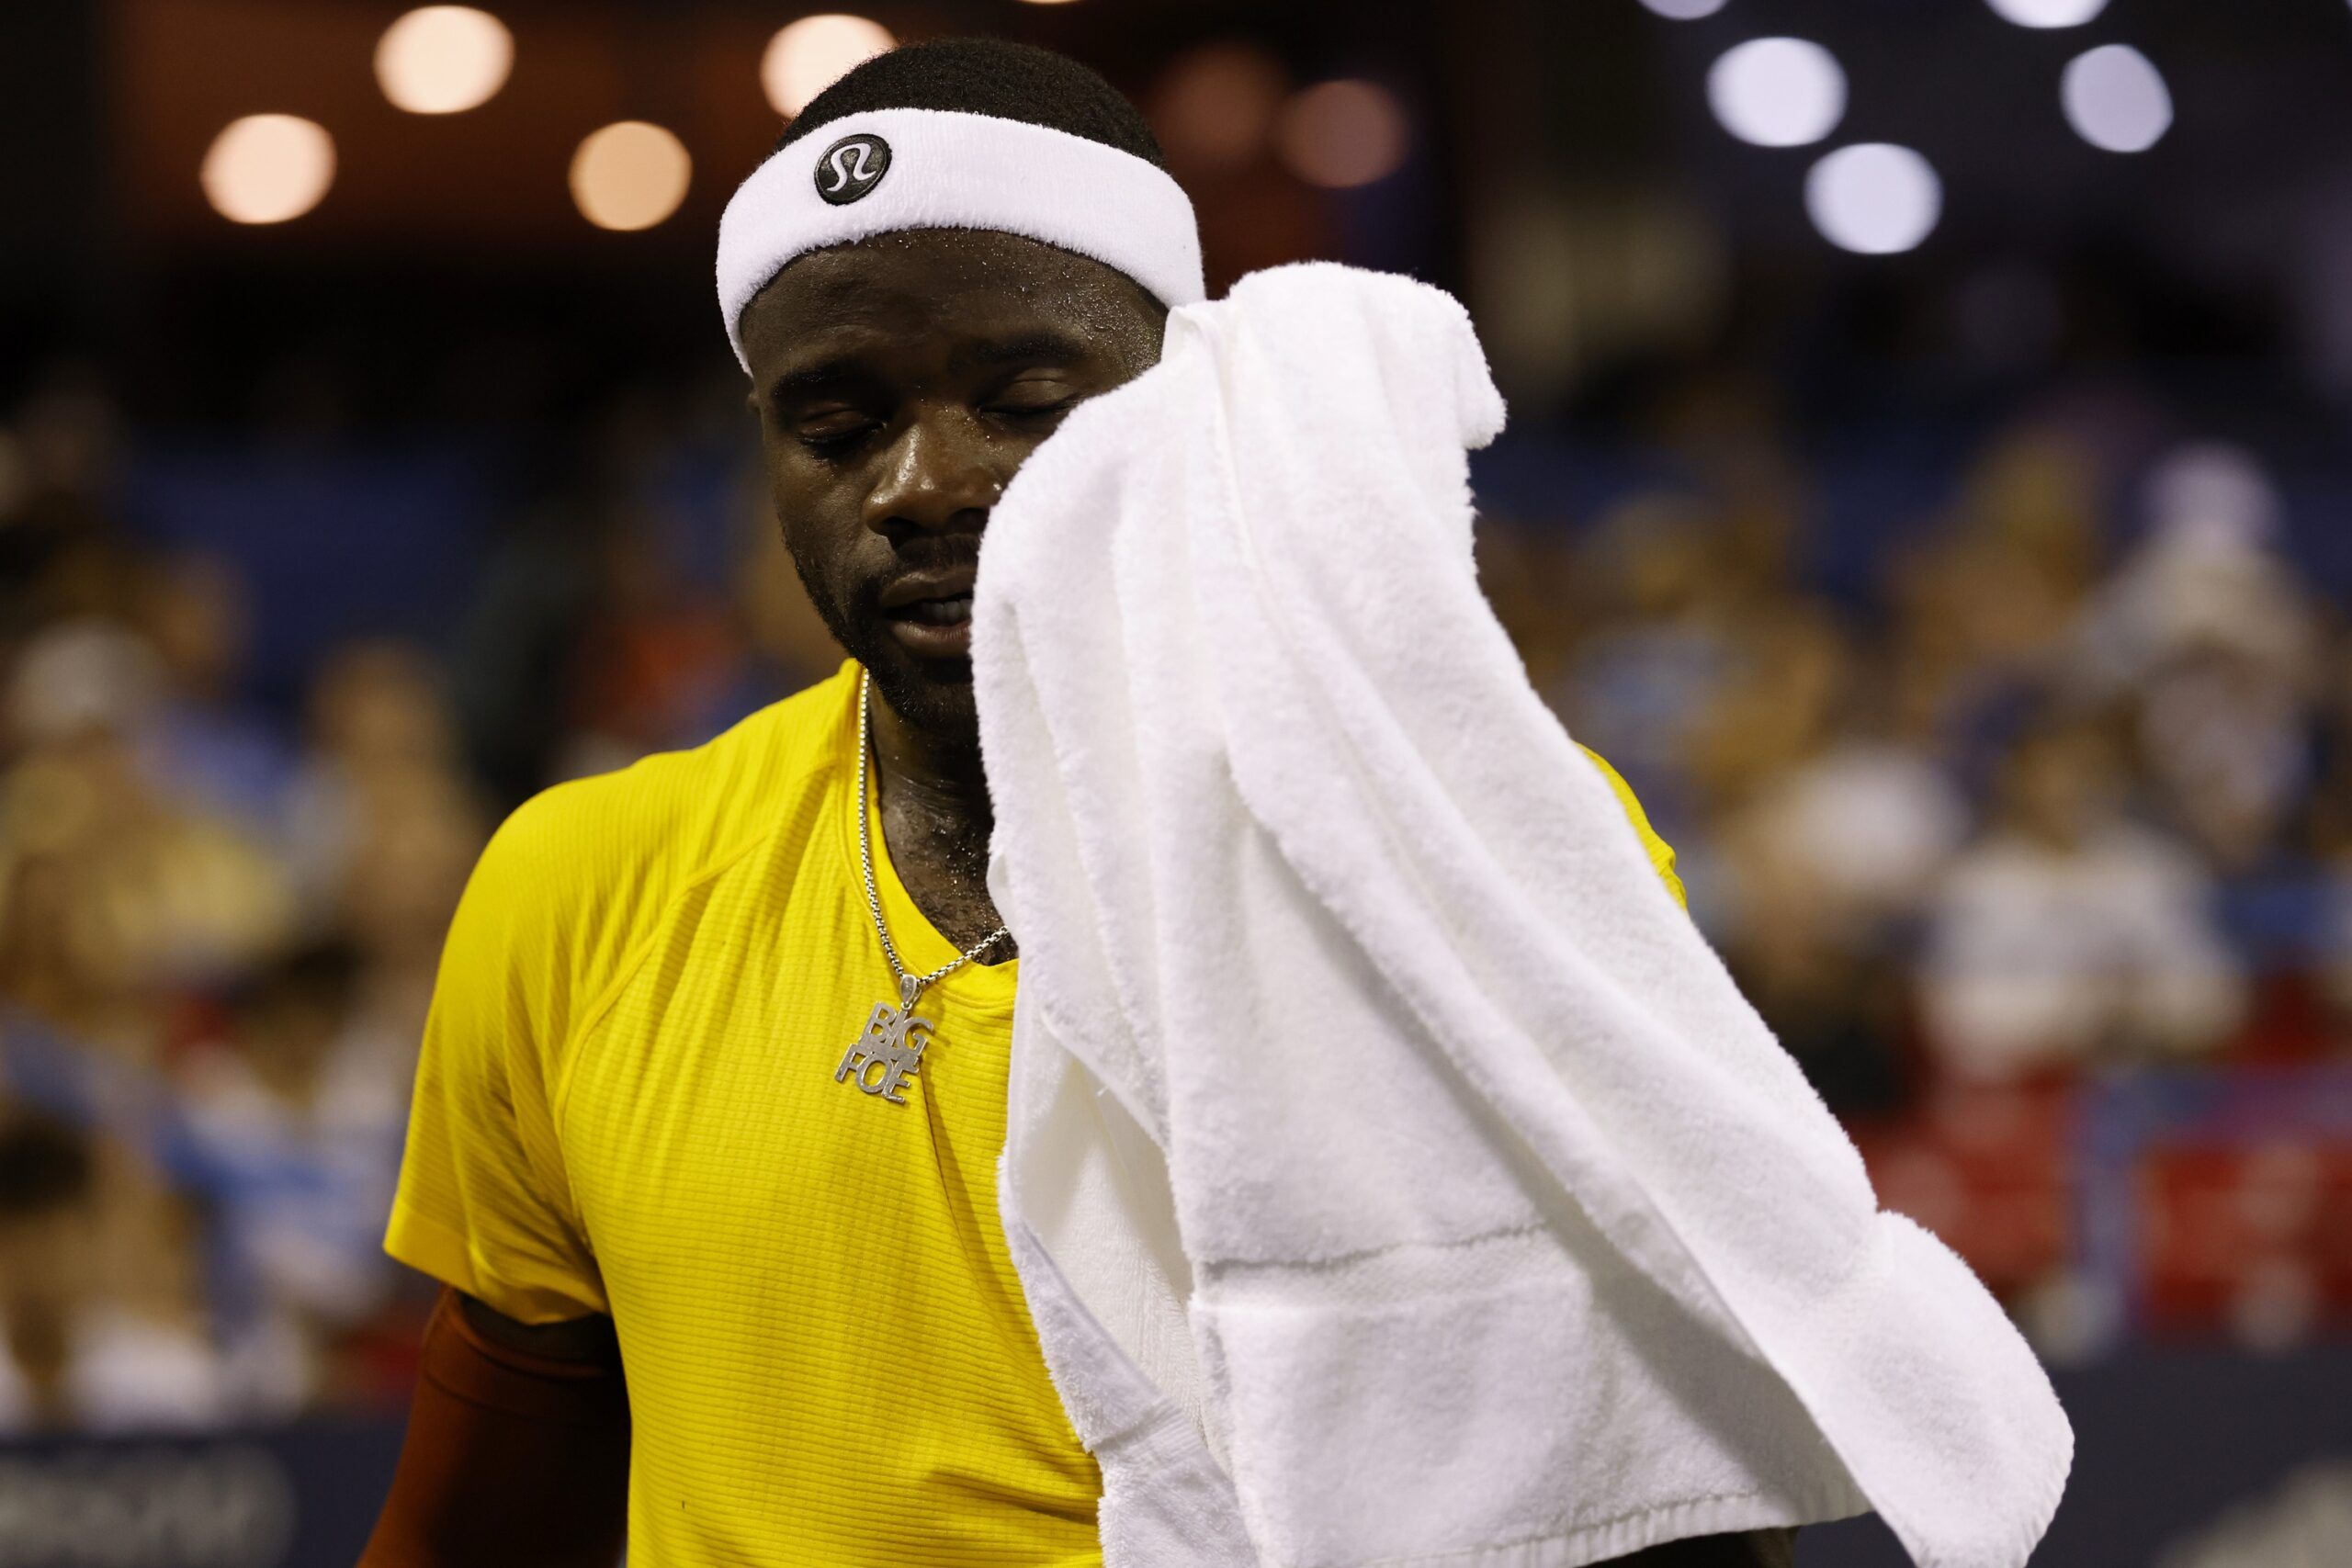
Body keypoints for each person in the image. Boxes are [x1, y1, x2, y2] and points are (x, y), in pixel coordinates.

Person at [360, 39, 1764, 1568]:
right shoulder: (581, 884)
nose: (920, 483)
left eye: (1025, 400)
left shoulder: (1455, 837)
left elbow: (1675, 1503)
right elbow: (482, 1518)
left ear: (1186, 401)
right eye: (833, 426)